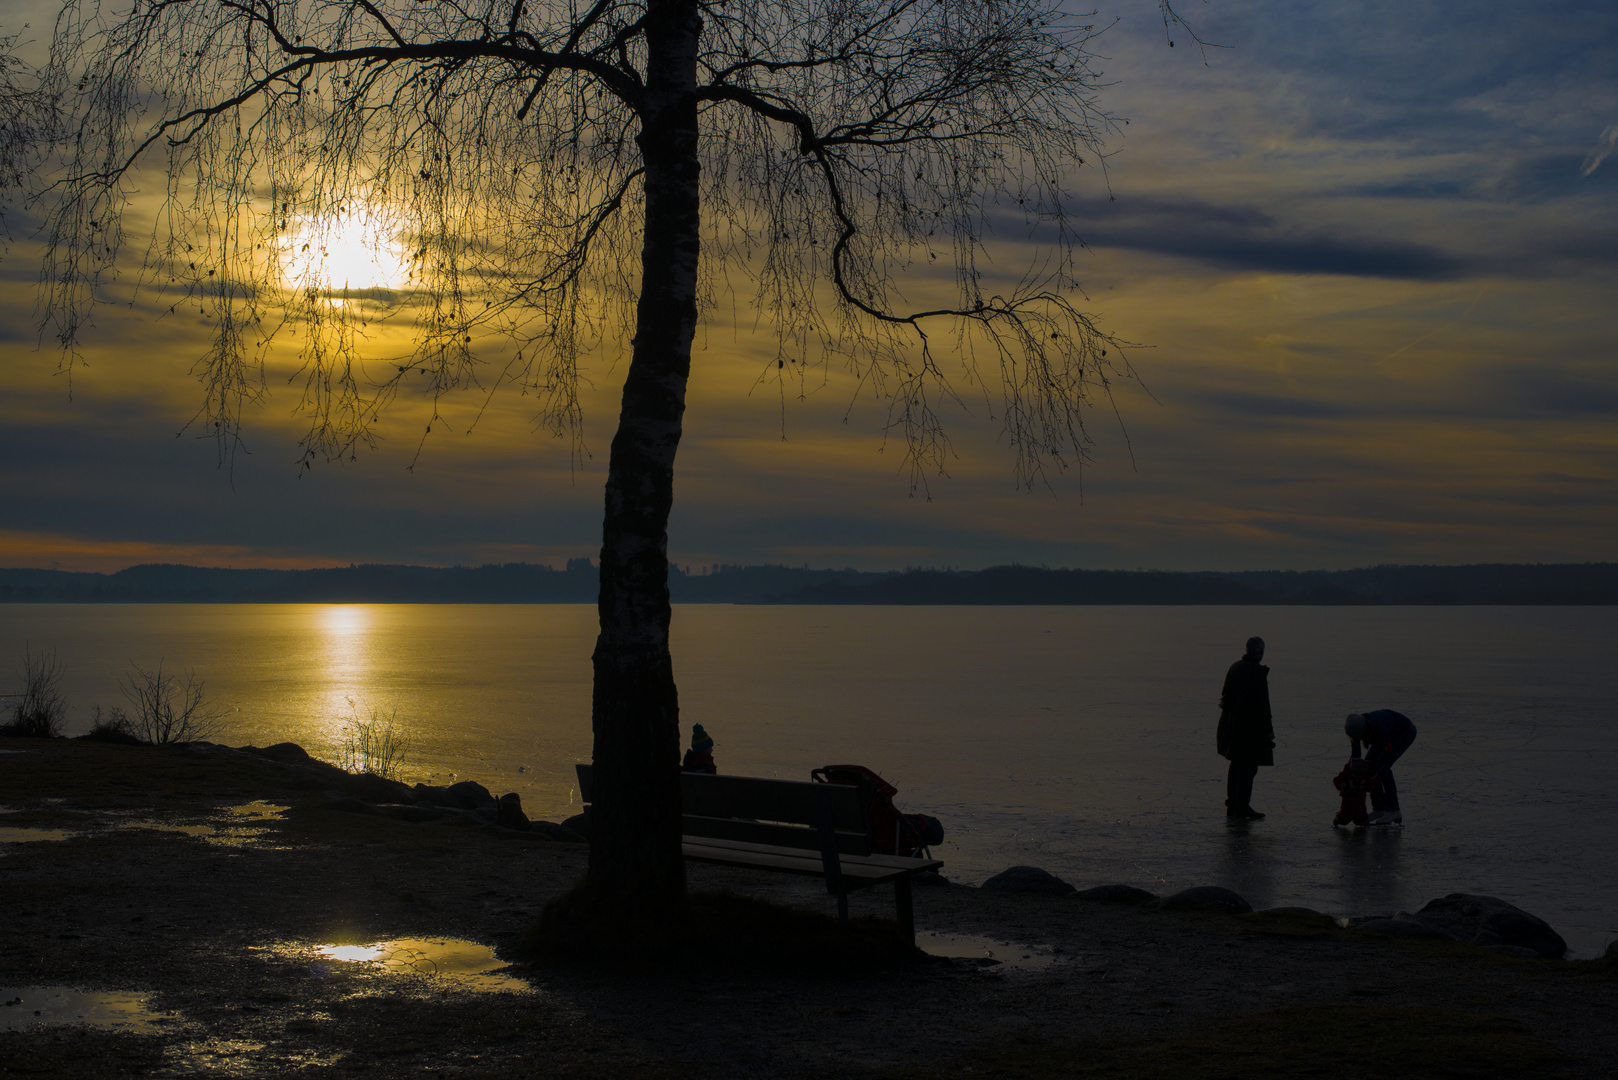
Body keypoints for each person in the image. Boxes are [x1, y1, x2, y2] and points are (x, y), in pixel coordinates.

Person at [1217, 636, 1275, 820]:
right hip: (1249, 729)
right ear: (1260, 652)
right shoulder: (1256, 672)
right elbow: (1263, 705)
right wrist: (1267, 731)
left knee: (1236, 764)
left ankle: (1233, 802)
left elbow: (1225, 697)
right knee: (1248, 766)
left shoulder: (1235, 667)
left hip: (1233, 726)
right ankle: (1241, 805)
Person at [1344, 710, 1417, 826]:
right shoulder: (1356, 730)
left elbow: (1387, 760)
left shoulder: (1378, 729)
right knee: (1368, 767)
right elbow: (1356, 757)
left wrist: (1376, 779)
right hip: (1388, 733)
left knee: (1381, 767)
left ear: (1363, 731)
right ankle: (1379, 808)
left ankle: (1394, 810)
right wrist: (1348, 774)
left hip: (1404, 732)